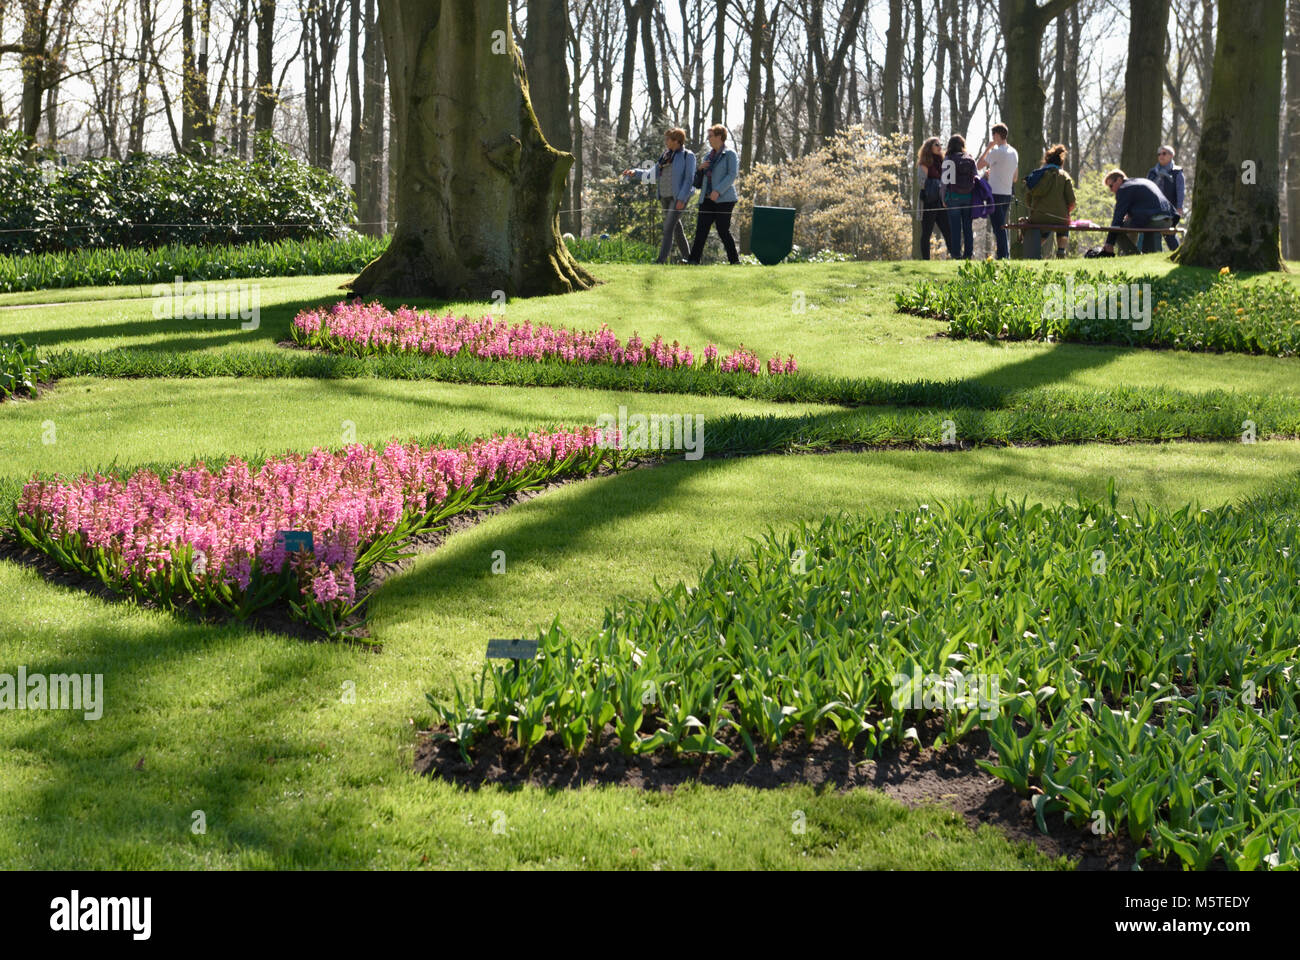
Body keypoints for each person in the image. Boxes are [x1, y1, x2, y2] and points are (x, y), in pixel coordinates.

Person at [623, 127, 698, 264]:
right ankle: (690, 259)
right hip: (664, 197)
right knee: (676, 229)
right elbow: (651, 174)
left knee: (668, 228)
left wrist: (682, 199)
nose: (666, 141)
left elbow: (689, 179)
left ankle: (660, 260)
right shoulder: (665, 156)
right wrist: (634, 172)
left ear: (676, 141)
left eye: (668, 139)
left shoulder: (688, 156)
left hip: (678, 198)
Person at [686, 124, 740, 264]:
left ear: (719, 137)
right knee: (701, 231)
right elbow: (697, 182)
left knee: (723, 231)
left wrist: (718, 191)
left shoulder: (730, 154)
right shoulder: (707, 157)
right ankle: (693, 261)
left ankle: (735, 262)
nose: (708, 139)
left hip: (725, 200)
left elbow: (732, 175)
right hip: (706, 199)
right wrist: (700, 169)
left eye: (710, 136)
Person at [1100, 169, 1177, 255]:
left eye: (1111, 186)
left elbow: (1117, 218)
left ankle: (1132, 254)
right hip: (1169, 218)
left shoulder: (1124, 188)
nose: (1111, 190)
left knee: (1115, 230)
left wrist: (1109, 243)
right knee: (1129, 224)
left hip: (1153, 221)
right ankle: (1132, 255)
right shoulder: (1143, 181)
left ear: (1119, 180)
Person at [1024, 144, 1077, 259]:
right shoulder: (1064, 176)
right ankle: (1061, 251)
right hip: (1060, 218)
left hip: (1039, 217)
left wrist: (1035, 210)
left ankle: (1035, 251)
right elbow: (1072, 202)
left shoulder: (1036, 176)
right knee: (1063, 225)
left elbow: (1028, 201)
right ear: (1061, 163)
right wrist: (1066, 213)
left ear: (1046, 161)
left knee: (1044, 226)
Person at [977, 122, 1018, 259]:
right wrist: (995, 173)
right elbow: (1015, 178)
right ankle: (1004, 255)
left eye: (993, 135)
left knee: (998, 228)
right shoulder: (1014, 152)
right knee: (1002, 226)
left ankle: (1003, 256)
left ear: (997, 135)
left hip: (995, 194)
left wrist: (988, 148)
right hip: (1007, 193)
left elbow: (978, 165)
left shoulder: (996, 151)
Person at [943, 134, 977, 260]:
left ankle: (956, 254)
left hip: (954, 197)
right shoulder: (969, 159)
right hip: (968, 196)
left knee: (955, 227)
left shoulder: (948, 159)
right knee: (968, 226)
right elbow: (976, 177)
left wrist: (943, 198)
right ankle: (968, 254)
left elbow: (945, 181)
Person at [916, 137, 950, 259]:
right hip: (928, 202)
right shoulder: (923, 163)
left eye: (940, 144)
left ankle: (955, 257)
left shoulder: (943, 162)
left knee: (947, 230)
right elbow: (921, 183)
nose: (939, 146)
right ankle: (925, 260)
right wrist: (935, 183)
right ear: (930, 147)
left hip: (941, 202)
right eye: (936, 144)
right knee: (926, 232)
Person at [1146, 145, 1185, 251]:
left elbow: (1180, 191)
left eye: (1164, 153)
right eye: (1159, 154)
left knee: (1169, 233)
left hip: (1170, 209)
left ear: (1171, 155)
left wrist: (1179, 207)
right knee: (1151, 232)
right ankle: (1152, 254)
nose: (1161, 156)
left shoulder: (1177, 172)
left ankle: (1177, 253)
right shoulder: (1152, 172)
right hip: (1153, 208)